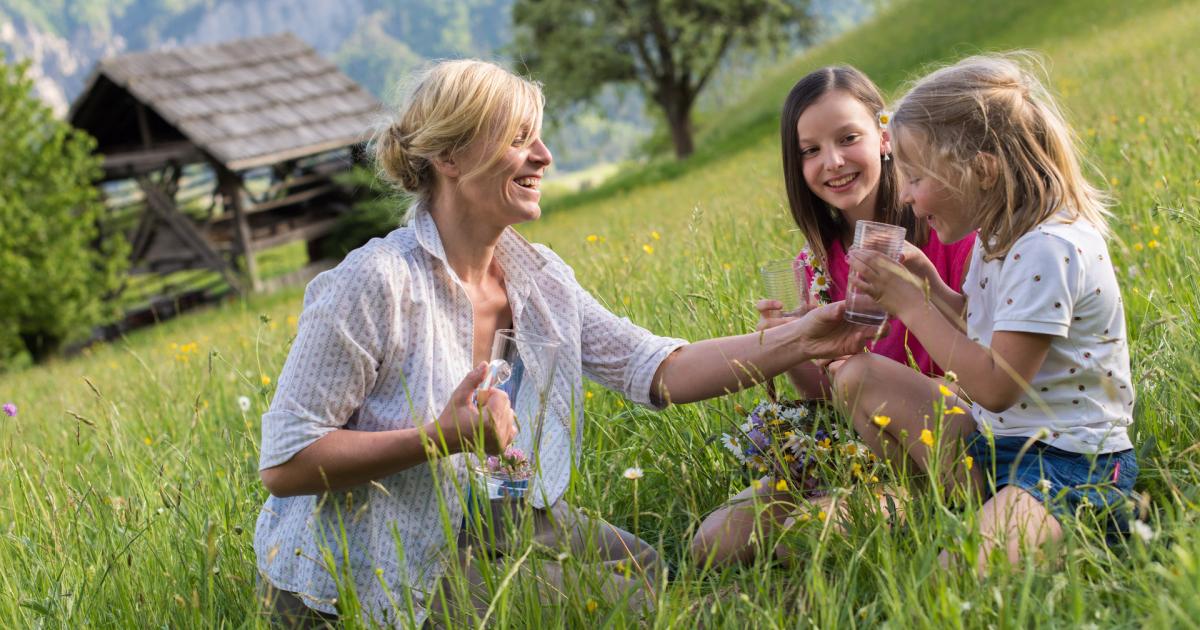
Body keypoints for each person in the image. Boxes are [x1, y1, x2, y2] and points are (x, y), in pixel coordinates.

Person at [252, 59, 877, 628]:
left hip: (493, 513)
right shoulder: (376, 282)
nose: (544, 155)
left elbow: (658, 368)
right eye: (519, 139)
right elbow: (285, 464)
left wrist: (801, 337)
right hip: (372, 569)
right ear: (450, 156)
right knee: (645, 612)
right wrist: (441, 439)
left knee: (648, 569)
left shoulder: (537, 277)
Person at [842, 53, 1138, 574]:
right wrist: (931, 288)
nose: (906, 198)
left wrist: (909, 304)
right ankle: (946, 511)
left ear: (981, 169)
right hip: (993, 445)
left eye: (915, 178)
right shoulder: (999, 236)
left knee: (950, 578)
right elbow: (983, 329)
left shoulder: (1049, 247)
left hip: (1070, 463)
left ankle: (1091, 515)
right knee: (858, 377)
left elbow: (998, 384)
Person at [690, 65, 975, 567]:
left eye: (848, 138)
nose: (834, 162)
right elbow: (825, 398)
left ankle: (918, 507)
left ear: (884, 138)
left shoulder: (943, 230)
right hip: (850, 448)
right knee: (714, 542)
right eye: (811, 150)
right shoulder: (814, 264)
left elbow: (988, 355)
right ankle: (861, 507)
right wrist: (792, 345)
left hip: (939, 442)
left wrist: (919, 291)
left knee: (804, 535)